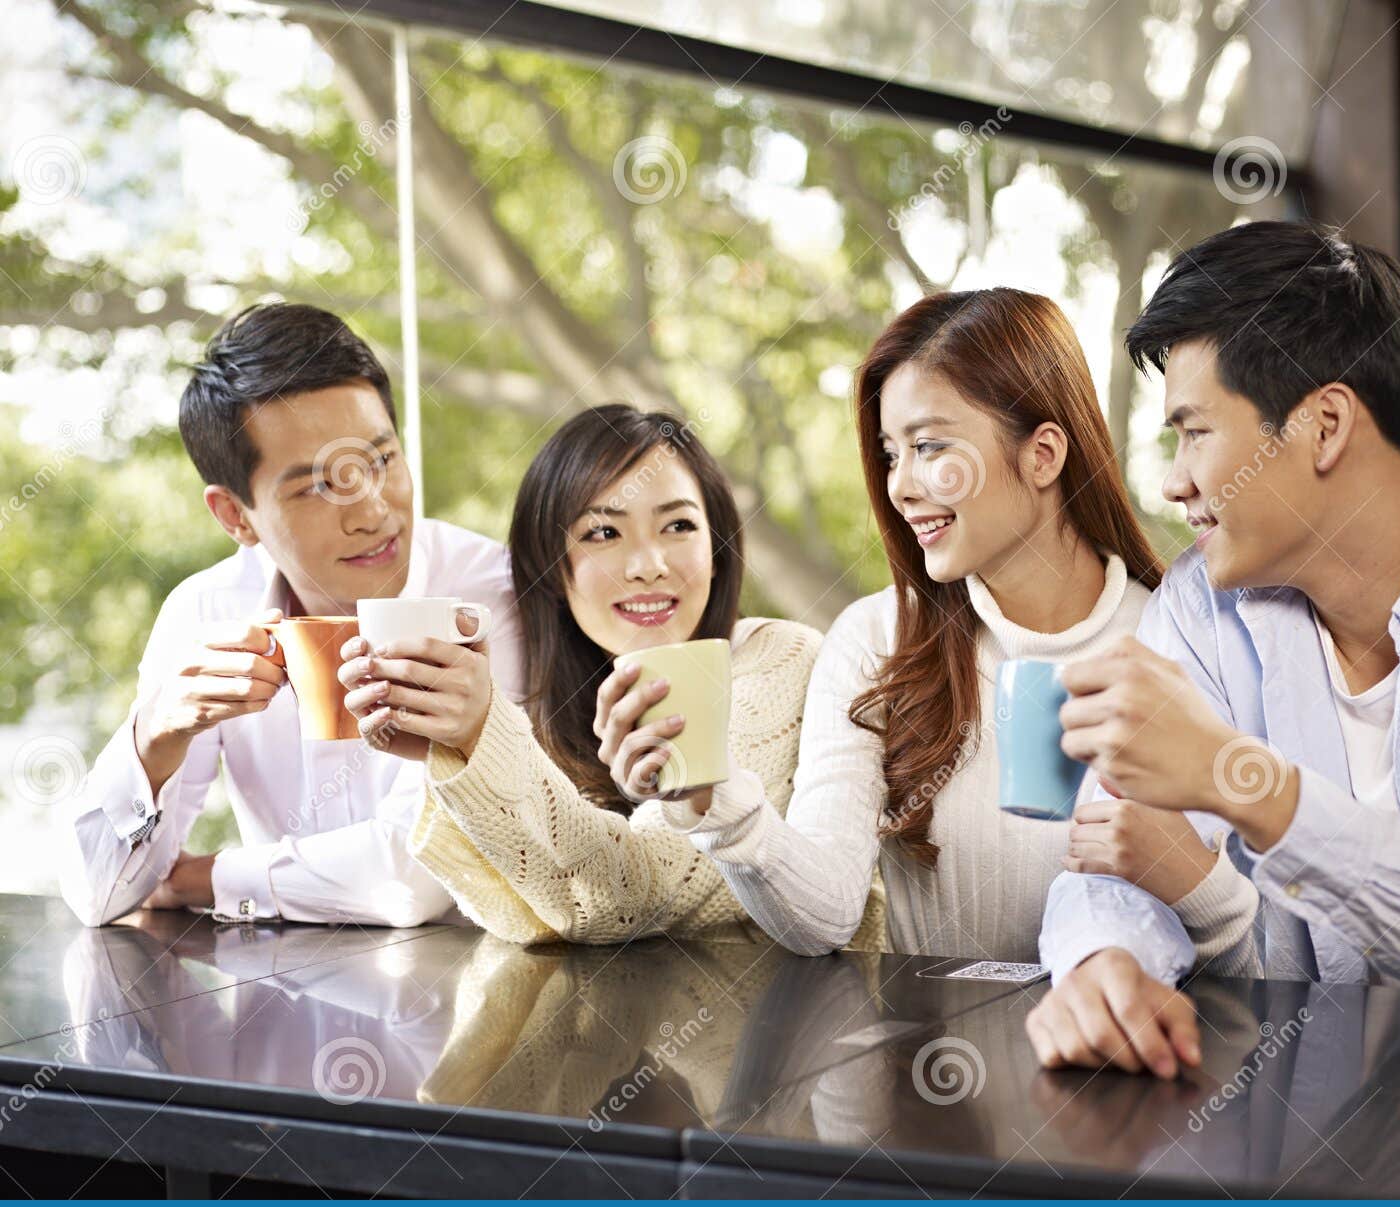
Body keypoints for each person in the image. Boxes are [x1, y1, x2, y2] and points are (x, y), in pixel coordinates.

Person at [1028, 221, 1400, 1076]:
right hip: (1307, 1134)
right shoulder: (1201, 603)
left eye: (1194, 432)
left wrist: (1237, 776)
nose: (1172, 482)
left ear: (1324, 423)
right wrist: (1101, 959)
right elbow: (1117, 845)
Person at [614, 288, 1195, 979]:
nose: (900, 488)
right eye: (891, 455)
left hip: (1126, 1059)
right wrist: (714, 804)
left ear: (1043, 455)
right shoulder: (877, 638)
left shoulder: (1177, 638)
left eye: (928, 447)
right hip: (926, 1069)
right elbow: (823, 913)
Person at [338, 404, 886, 949]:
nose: (647, 564)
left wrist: (483, 737)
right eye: (603, 533)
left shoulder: (778, 659)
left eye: (678, 526)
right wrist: (454, 750)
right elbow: (526, 913)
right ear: (552, 568)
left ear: (716, 551)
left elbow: (636, 897)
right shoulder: (554, 706)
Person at [65, 304, 524, 927]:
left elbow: (411, 879)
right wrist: (154, 737)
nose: (371, 512)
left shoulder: (493, 595)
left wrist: (202, 878)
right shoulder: (206, 612)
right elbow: (97, 896)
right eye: (315, 488)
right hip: (275, 1004)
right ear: (234, 516)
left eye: (381, 461)